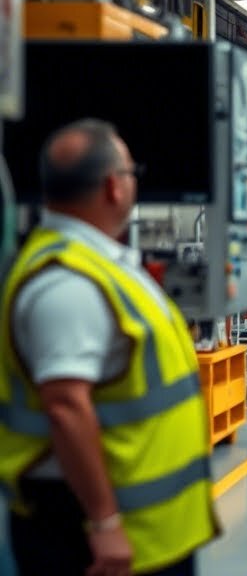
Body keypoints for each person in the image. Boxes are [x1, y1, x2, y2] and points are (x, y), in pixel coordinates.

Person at [0, 119, 218, 576]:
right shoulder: (67, 282)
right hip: (89, 534)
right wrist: (105, 521)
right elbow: (65, 407)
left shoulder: (100, 263)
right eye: (130, 171)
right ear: (112, 187)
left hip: (150, 530)